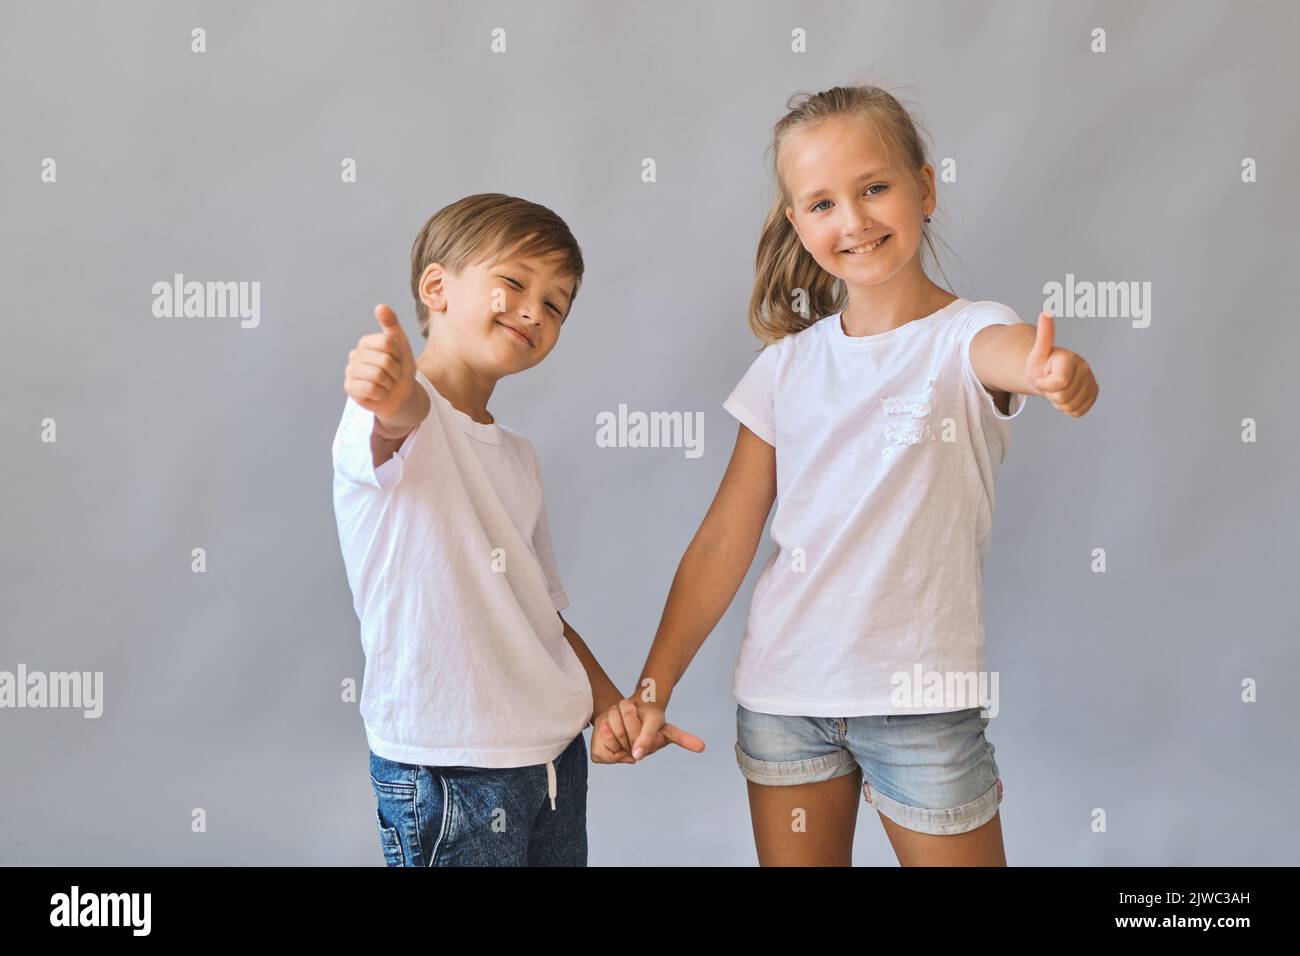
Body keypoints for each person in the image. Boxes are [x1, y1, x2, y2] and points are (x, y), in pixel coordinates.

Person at [598, 85, 1099, 866]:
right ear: (798, 223)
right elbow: (726, 538)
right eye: (823, 203)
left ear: (924, 189)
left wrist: (1053, 372)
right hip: (785, 700)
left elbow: (1011, 357)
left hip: (924, 709)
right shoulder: (786, 366)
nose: (855, 220)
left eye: (875, 188)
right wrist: (651, 689)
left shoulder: (969, 335)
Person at [331, 193, 656, 865]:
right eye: (513, 282)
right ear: (436, 287)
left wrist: (606, 702)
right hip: (453, 770)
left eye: (557, 303)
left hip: (552, 760)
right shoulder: (397, 419)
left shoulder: (518, 456)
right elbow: (402, 417)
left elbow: (541, 610)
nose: (535, 310)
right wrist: (390, 393)